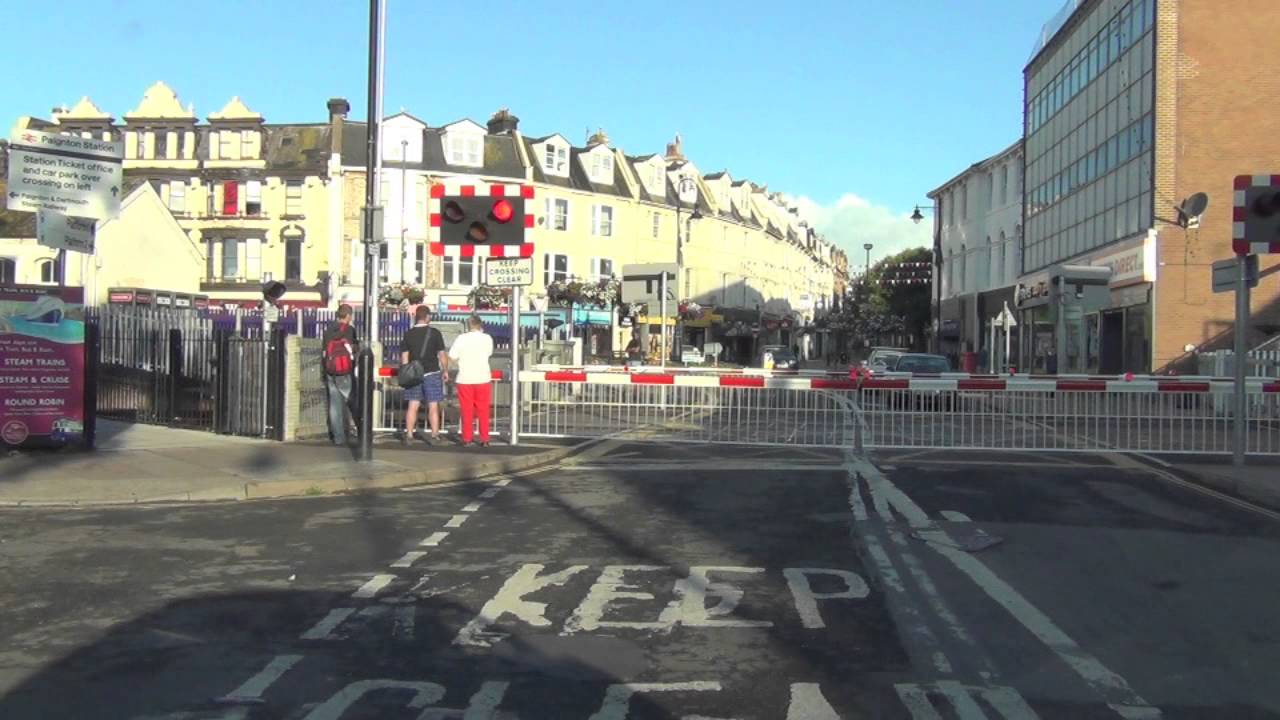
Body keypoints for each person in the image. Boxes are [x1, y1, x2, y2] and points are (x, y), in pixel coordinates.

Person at [400, 306, 448, 445]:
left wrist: (406, 372)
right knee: (433, 405)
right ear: (427, 317)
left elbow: (404, 357)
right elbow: (442, 354)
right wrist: (445, 370)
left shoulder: (408, 334)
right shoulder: (435, 333)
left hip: (414, 374)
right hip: (432, 373)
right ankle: (435, 435)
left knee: (413, 405)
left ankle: (409, 435)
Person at [449, 315, 495, 447]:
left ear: (468, 325)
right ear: (480, 325)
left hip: (465, 378)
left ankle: (467, 438)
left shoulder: (461, 338)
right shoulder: (487, 338)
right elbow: (489, 353)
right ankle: (484, 439)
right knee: (483, 410)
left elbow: (452, 356)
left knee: (466, 410)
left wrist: (460, 362)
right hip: (482, 377)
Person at [321, 304, 359, 446]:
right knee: (353, 401)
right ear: (348, 316)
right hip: (345, 371)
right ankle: (361, 430)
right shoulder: (350, 330)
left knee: (334, 405)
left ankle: (338, 437)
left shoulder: (328, 331)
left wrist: (325, 370)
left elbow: (324, 353)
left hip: (330, 370)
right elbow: (354, 349)